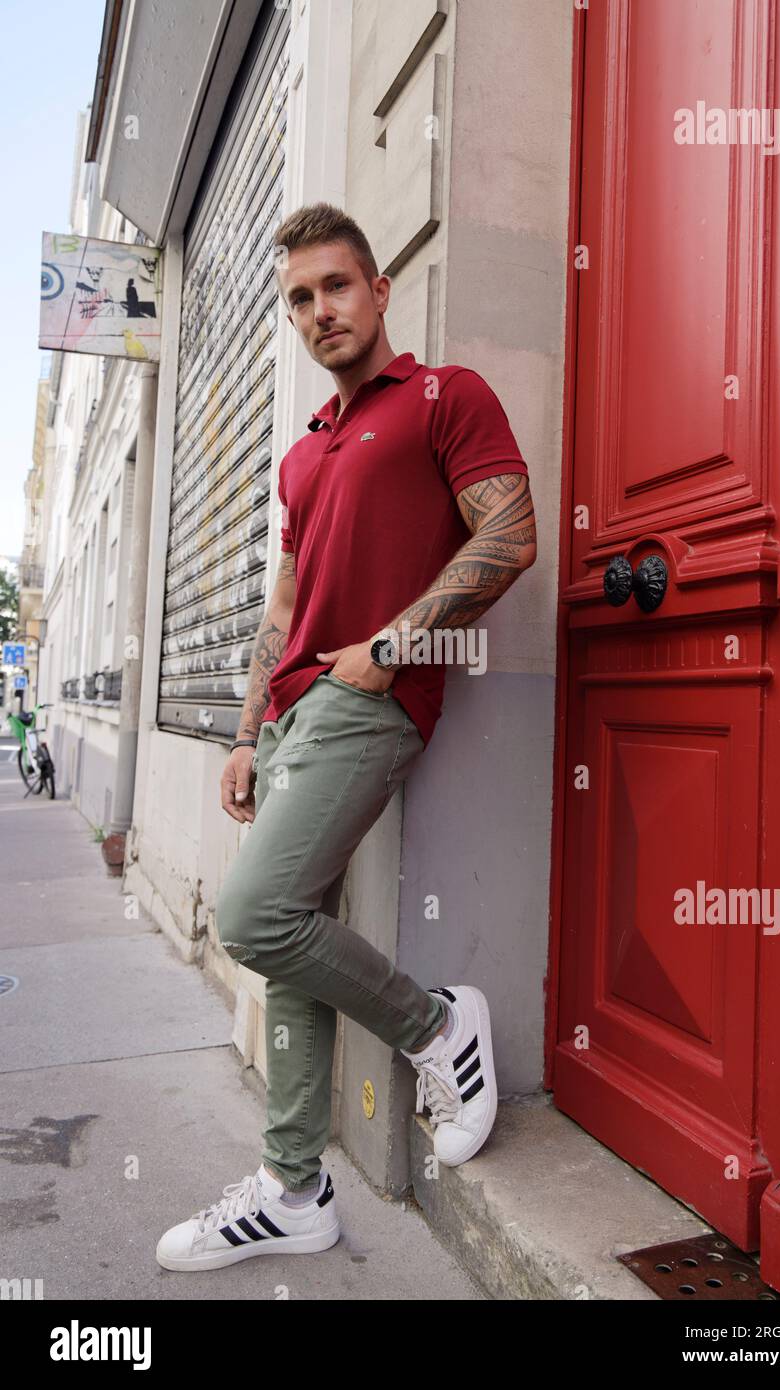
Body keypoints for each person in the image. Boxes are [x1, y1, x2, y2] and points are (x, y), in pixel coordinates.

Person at [156, 202, 537, 1271]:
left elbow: (511, 531)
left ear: (377, 290)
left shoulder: (439, 398)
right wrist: (244, 730)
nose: (318, 310)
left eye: (334, 286)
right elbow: (284, 603)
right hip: (288, 717)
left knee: (254, 916)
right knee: (288, 943)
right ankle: (291, 1188)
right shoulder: (302, 457)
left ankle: (435, 1030)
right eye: (298, 300)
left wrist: (392, 645)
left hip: (368, 701)